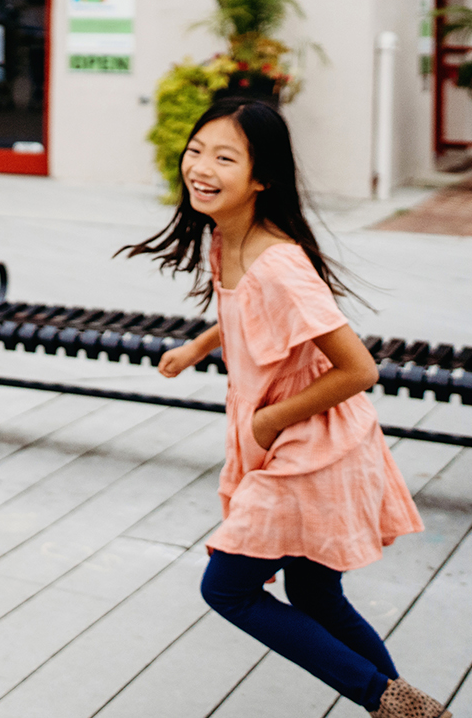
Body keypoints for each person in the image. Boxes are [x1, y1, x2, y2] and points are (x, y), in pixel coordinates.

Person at [119, 99, 444, 718]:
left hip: (314, 446)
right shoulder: (226, 237)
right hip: (292, 438)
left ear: (261, 177)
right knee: (317, 596)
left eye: (225, 158)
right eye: (196, 150)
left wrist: (268, 420)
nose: (201, 168)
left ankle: (383, 699)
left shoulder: (281, 263)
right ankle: (409, 712)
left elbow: (359, 369)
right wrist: (197, 347)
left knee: (228, 588)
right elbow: (242, 308)